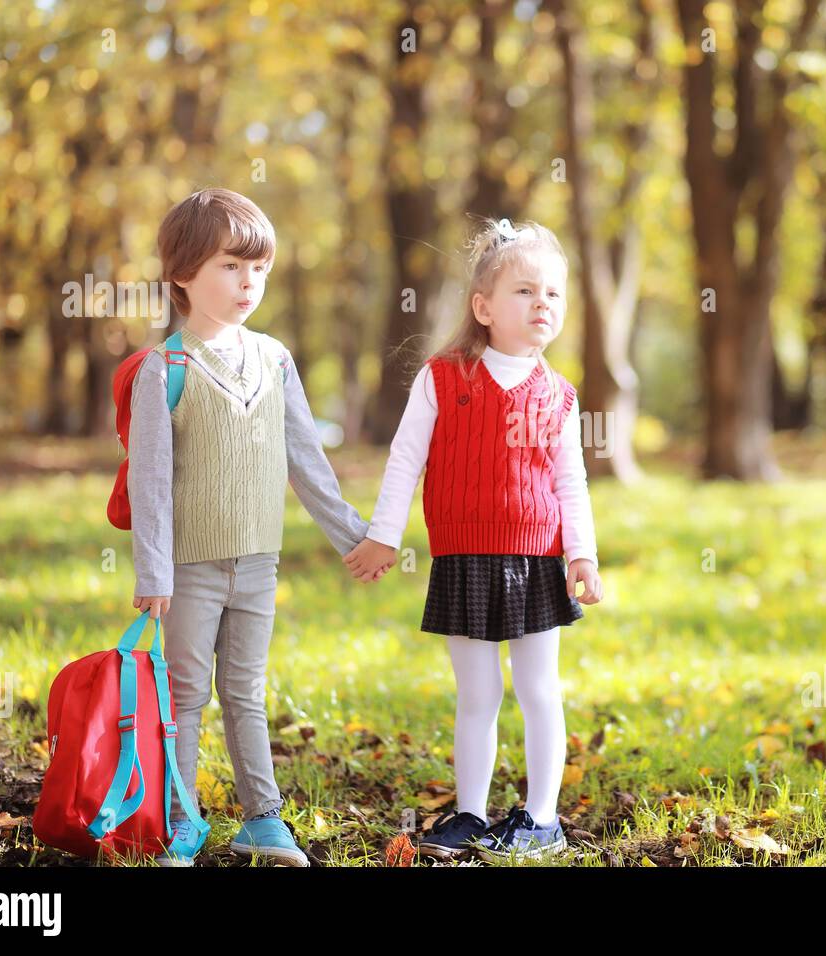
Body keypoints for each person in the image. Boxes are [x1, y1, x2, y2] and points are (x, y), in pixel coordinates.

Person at [345, 217, 604, 861]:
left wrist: (582, 554)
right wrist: (383, 535)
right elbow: (406, 459)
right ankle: (470, 813)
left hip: (537, 563)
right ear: (483, 307)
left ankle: (542, 817)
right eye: (525, 291)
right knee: (479, 693)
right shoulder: (442, 379)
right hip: (463, 560)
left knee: (538, 688)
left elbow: (571, 483)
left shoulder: (559, 396)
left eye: (553, 294)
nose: (542, 303)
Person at [130, 188, 370, 866]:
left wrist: (353, 537)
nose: (248, 284)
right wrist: (153, 573)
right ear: (182, 275)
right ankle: (182, 819)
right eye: (230, 268)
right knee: (184, 695)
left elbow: (305, 459)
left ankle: (262, 819)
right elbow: (148, 481)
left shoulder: (275, 359)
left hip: (258, 562)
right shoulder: (166, 369)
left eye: (257, 269)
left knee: (245, 693)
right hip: (187, 570)